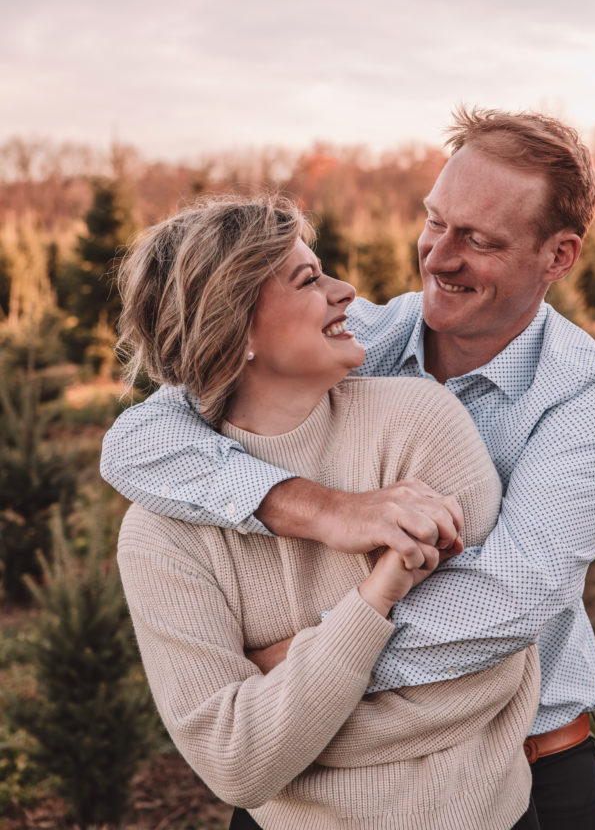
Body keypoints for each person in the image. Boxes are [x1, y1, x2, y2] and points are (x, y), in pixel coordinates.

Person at [102, 107, 595, 830]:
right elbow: (136, 440)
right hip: (307, 794)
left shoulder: (587, 388)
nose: (438, 257)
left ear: (559, 256)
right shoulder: (355, 337)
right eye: (435, 222)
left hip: (529, 762)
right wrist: (321, 508)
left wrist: (305, 662)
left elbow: (514, 597)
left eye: (478, 240)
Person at [114, 196, 541, 830]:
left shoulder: (420, 426)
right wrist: (374, 599)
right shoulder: (160, 533)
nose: (346, 292)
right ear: (236, 330)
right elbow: (236, 764)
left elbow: (489, 668)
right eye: (308, 279)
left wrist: (282, 699)